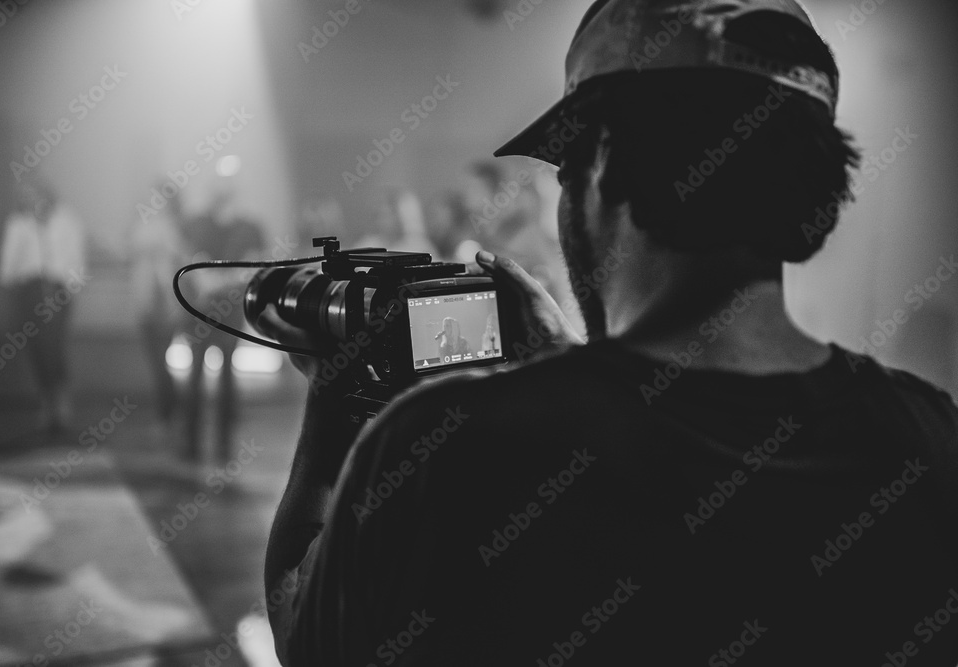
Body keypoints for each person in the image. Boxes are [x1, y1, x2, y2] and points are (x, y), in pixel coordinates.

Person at [263, 1, 958, 664]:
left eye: (565, 171)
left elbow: (308, 640)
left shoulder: (444, 449)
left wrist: (337, 400)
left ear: (597, 161)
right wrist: (576, 370)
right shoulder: (925, 436)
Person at [178, 189, 264, 462]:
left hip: (224, 309)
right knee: (198, 373)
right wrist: (213, 282)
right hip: (205, 309)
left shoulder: (247, 228)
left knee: (224, 373)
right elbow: (186, 257)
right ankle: (193, 443)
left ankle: (219, 444)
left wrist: (215, 283)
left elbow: (254, 265)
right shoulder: (200, 224)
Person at [0, 181, 86, 434]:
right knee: (35, 347)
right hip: (29, 290)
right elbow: (8, 264)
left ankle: (62, 404)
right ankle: (47, 404)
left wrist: (71, 288)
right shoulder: (18, 224)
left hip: (56, 288)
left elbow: (76, 256)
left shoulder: (66, 220)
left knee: (53, 346)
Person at [129, 181, 187, 437]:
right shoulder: (141, 226)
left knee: (161, 361)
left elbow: (178, 259)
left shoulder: (172, 228)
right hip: (145, 302)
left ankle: (170, 416)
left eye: (158, 197)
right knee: (155, 363)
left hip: (164, 302)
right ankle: (170, 414)